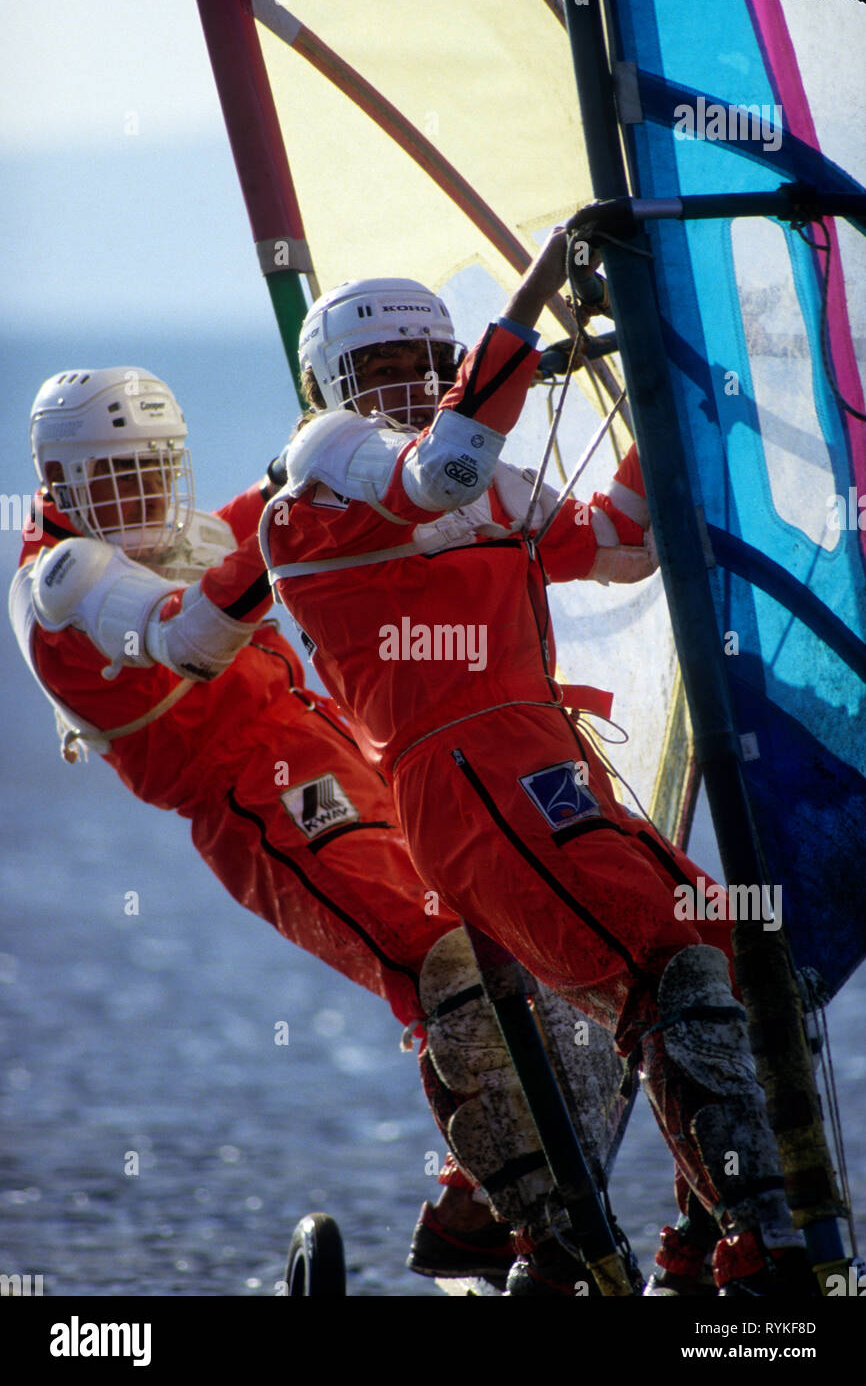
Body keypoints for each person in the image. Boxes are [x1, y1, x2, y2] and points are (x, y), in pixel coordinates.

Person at [259, 228, 813, 1296]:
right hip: (462, 781)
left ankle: (683, 1249)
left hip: (545, 763)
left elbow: (622, 539)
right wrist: (543, 279)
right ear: (329, 387)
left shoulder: (479, 488)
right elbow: (441, 468)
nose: (408, 384)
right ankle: (763, 1245)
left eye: (424, 362)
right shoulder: (320, 479)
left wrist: (662, 371)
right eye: (379, 370)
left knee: (733, 943)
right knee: (670, 954)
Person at [10, 364, 632, 1294]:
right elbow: (184, 626)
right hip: (257, 803)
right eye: (110, 477)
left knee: (552, 934)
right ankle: (552, 1237)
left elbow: (273, 529)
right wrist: (296, 495)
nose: (136, 495)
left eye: (150, 471)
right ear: (57, 485)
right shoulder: (60, 580)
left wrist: (361, 456)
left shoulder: (191, 533)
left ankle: (474, 1208)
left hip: (351, 749)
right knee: (444, 962)